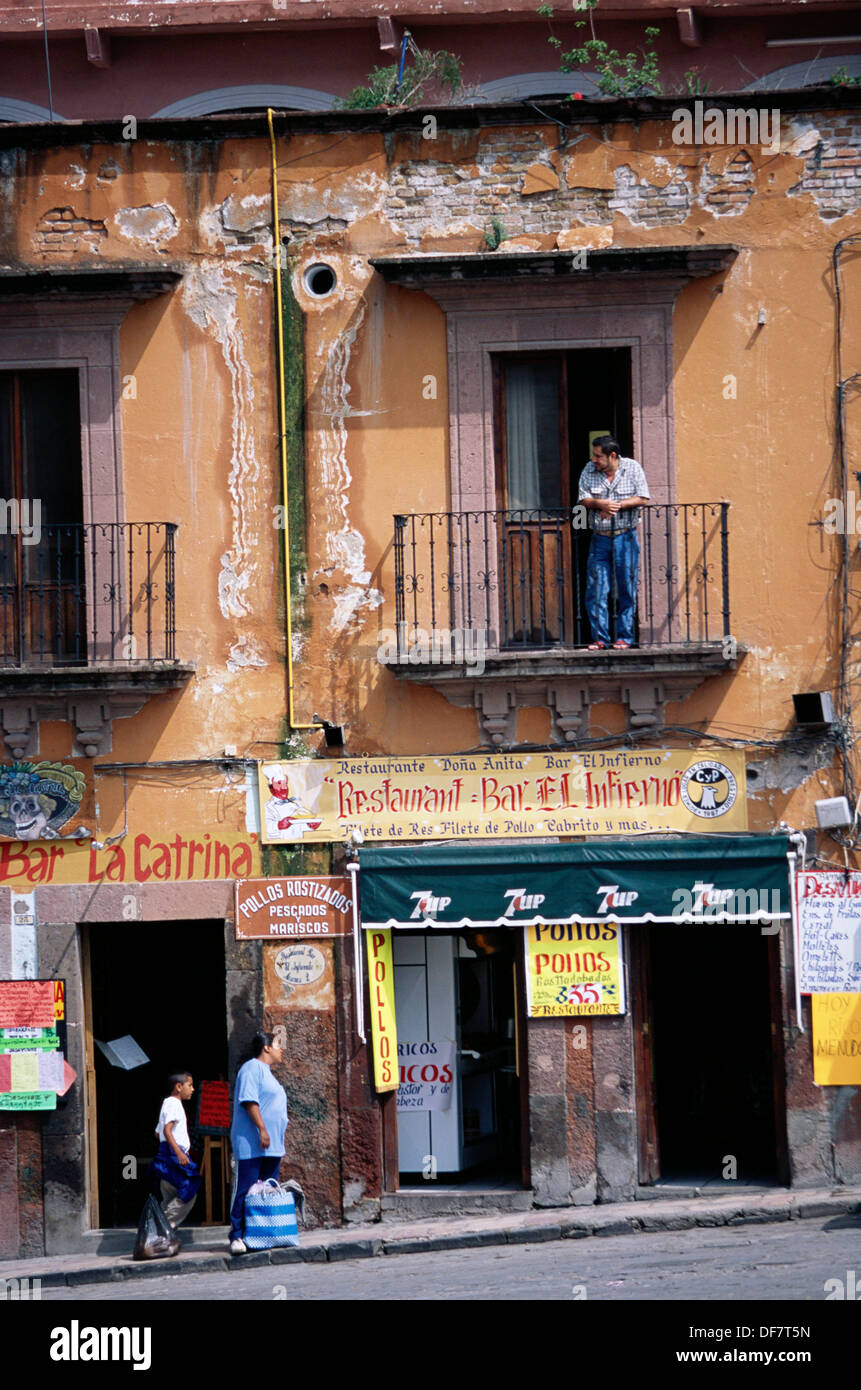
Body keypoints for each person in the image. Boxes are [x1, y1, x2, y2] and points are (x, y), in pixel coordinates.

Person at [578, 436, 650, 650]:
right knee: (597, 589)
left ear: (612, 456)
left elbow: (643, 497)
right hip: (599, 538)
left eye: (598, 456)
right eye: (593, 455)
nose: (594, 460)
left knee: (626, 588)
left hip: (625, 536)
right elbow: (583, 499)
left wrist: (617, 505)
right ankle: (600, 639)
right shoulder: (588, 470)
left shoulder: (632, 468)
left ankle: (624, 638)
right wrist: (600, 503)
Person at [228, 1030, 288, 1255]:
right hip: (252, 1141)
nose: (281, 1049)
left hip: (271, 1145)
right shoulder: (251, 1068)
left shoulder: (268, 1073)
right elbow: (249, 1101)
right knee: (246, 1188)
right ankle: (237, 1235)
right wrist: (262, 1129)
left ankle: (261, 1233)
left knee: (266, 1189)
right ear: (266, 1048)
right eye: (278, 1044)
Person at [150, 1072, 202, 1231]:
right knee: (189, 1193)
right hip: (174, 1157)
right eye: (190, 1085)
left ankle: (162, 1234)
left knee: (170, 1196)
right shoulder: (173, 1103)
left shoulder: (168, 1104)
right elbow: (166, 1130)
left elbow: (157, 1133)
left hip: (166, 1155)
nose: (193, 1089)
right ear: (179, 1087)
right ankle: (163, 1225)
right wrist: (178, 1153)